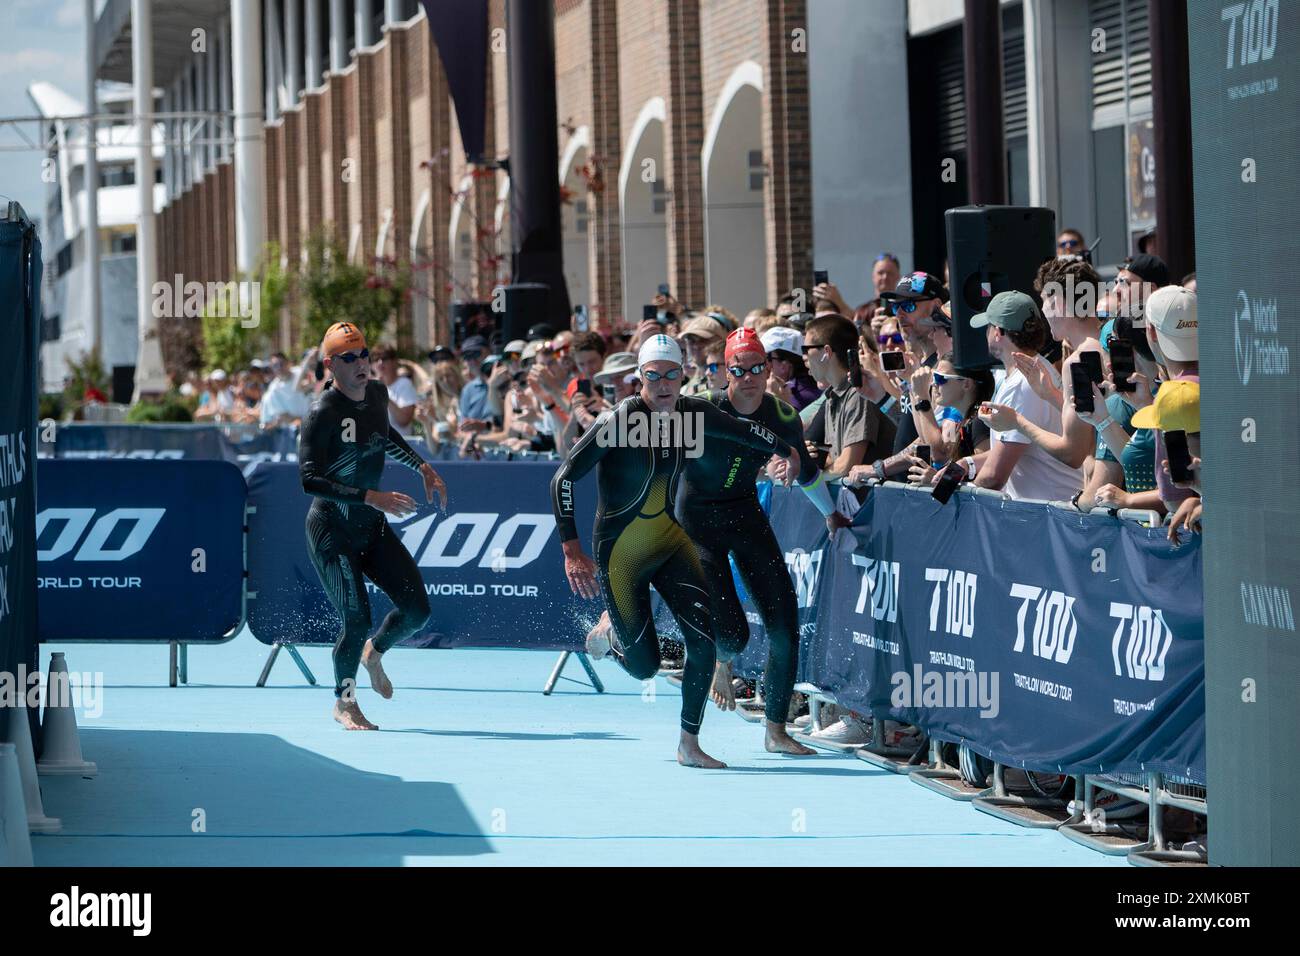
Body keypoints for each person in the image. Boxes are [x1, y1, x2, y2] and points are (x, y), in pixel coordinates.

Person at [552, 333, 800, 769]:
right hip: (622, 553)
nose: (664, 385)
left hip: (669, 542)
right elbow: (563, 478)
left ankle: (688, 744)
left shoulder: (692, 414)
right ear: (639, 379)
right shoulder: (618, 422)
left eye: (672, 375)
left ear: (683, 376)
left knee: (703, 644)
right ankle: (613, 638)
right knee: (645, 668)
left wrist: (787, 450)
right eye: (653, 377)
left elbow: (745, 431)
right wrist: (571, 549)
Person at [677, 328, 842, 756]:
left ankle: (776, 731)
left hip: (744, 513)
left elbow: (806, 472)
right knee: (732, 635)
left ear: (768, 369)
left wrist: (829, 512)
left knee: (785, 626)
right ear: (725, 372)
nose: (748, 377)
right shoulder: (703, 411)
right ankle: (719, 664)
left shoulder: (783, 417)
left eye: (756, 368)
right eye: (738, 369)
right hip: (696, 522)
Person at [298, 322, 449, 731]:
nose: (361, 363)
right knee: (356, 620)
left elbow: (384, 435)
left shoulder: (378, 394)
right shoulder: (321, 413)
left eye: (364, 354)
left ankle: (375, 653)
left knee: (417, 611)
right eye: (349, 358)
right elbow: (309, 480)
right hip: (332, 531)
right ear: (331, 365)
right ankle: (344, 702)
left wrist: (422, 466)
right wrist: (370, 497)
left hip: (370, 526)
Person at [971, 292, 1083, 500]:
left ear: (997, 332)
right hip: (1048, 515)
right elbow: (1016, 449)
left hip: (1048, 520)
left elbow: (994, 477)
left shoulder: (1021, 383)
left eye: (988, 327)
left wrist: (958, 497)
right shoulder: (1035, 369)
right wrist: (966, 464)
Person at [802, 313, 897, 481]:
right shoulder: (833, 395)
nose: (804, 357)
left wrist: (809, 480)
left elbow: (847, 465)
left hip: (876, 504)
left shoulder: (859, 392)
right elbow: (835, 458)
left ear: (826, 352)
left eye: (806, 349)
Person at [761, 326, 821, 410]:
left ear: (784, 365)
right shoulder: (813, 385)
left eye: (766, 358)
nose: (762, 365)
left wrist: (774, 400)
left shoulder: (802, 398)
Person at [371, 345, 421, 436]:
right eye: (376, 359)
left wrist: (382, 392)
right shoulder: (367, 386)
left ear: (394, 362)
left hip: (399, 447)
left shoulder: (404, 384)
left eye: (384, 358)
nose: (380, 362)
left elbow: (403, 420)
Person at [260, 351, 314, 428]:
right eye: (275, 365)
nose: (279, 367)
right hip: (297, 430)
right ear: (272, 368)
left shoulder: (300, 372)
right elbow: (284, 416)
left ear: (288, 363)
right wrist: (306, 422)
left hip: (316, 420)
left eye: (281, 363)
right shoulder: (273, 390)